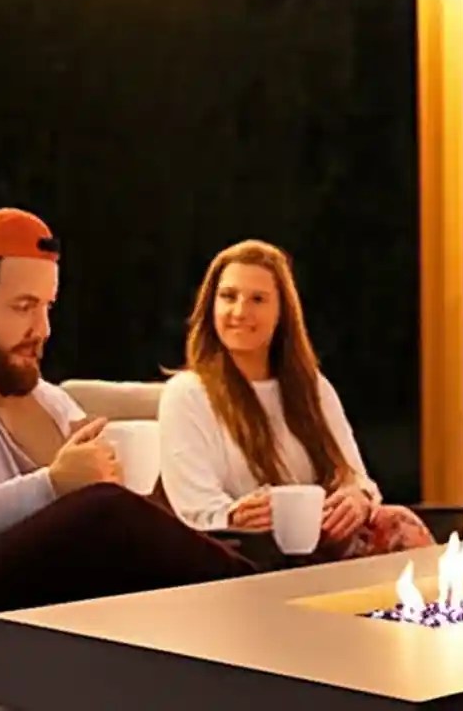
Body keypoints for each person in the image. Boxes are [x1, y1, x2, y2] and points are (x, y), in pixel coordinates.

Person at [0, 208, 255, 697]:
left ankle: (261, 625)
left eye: (48, 307)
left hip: (32, 619)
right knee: (101, 512)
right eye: (23, 307)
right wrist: (54, 486)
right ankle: (263, 609)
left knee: (209, 547)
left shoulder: (49, 400)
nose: (43, 329)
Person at [158, 239, 433, 561]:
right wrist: (236, 516)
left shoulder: (312, 387)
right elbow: (195, 508)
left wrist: (355, 497)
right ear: (211, 306)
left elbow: (355, 476)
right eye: (228, 296)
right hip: (242, 554)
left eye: (257, 299)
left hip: (324, 542)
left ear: (281, 314)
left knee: (396, 520)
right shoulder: (187, 394)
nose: (239, 311)